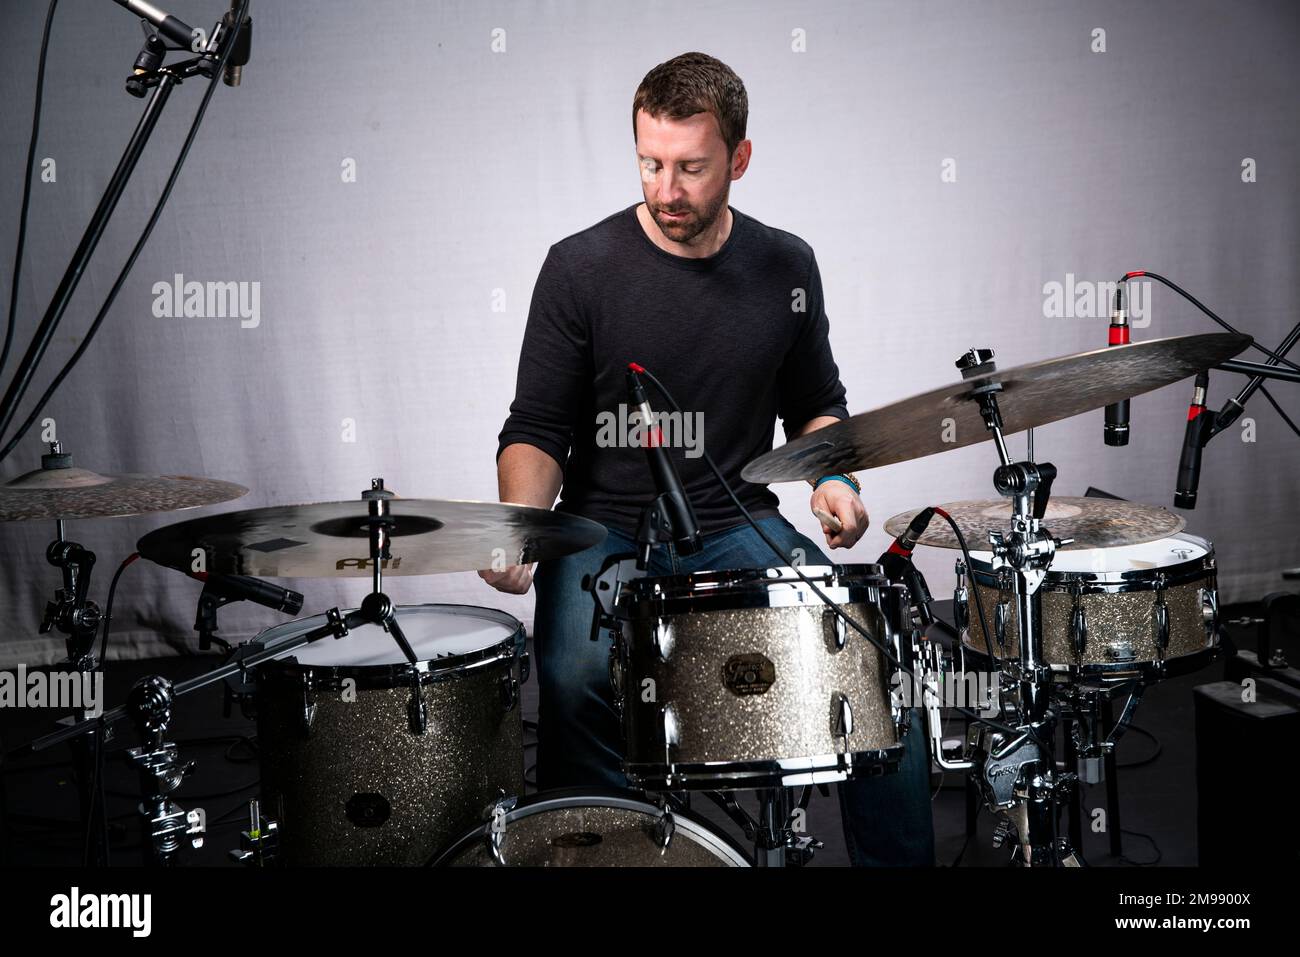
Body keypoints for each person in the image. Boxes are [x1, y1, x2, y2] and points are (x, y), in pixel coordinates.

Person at [480, 52, 933, 866]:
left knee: (869, 660)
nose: (666, 189)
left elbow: (817, 403)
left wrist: (833, 477)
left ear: (740, 158)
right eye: (650, 164)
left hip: (736, 523)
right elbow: (537, 429)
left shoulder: (784, 266)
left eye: (691, 167)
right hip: (598, 530)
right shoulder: (578, 268)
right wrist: (521, 525)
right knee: (579, 678)